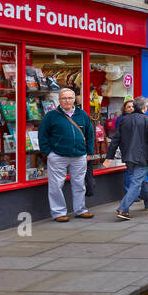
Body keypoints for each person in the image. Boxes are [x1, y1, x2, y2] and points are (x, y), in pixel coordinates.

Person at [39, 88, 95, 221]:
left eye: (70, 98)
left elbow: (90, 134)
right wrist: (49, 153)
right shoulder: (51, 116)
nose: (67, 101)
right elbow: (42, 136)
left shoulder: (82, 114)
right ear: (59, 100)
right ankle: (59, 213)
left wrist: (89, 152)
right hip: (58, 156)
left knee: (79, 184)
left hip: (79, 155)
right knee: (56, 186)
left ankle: (80, 210)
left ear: (74, 99)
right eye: (64, 98)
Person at [106, 96, 148, 220]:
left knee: (139, 181)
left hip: (128, 158)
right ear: (144, 108)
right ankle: (123, 209)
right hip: (142, 158)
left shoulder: (123, 121)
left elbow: (115, 140)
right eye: (146, 106)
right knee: (136, 183)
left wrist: (109, 156)